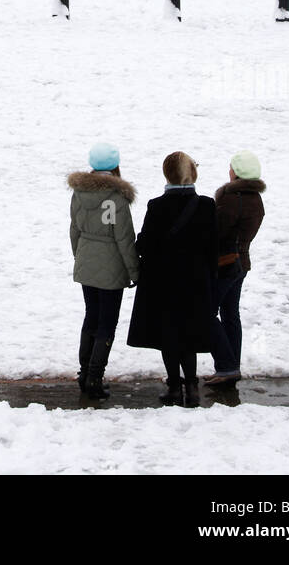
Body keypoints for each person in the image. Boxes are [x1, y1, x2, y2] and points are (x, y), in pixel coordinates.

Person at [127, 151, 218, 407]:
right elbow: (213, 248)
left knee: (169, 334)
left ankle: (174, 387)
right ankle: (192, 386)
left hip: (162, 282)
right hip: (195, 282)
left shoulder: (156, 205)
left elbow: (144, 244)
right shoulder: (207, 205)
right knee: (188, 334)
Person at [68, 142, 140, 400]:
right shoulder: (118, 197)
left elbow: (74, 229)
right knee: (107, 322)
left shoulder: (78, 193)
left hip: (87, 261)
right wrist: (134, 271)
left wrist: (80, 256)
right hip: (111, 266)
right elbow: (124, 238)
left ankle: (83, 372)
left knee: (91, 316)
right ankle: (95, 378)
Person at [206, 151, 266, 389]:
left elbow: (216, 233)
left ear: (236, 172)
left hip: (225, 264)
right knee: (231, 314)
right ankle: (232, 366)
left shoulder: (232, 199)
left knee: (206, 313)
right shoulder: (255, 200)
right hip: (242, 263)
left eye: (231, 167)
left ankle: (226, 366)